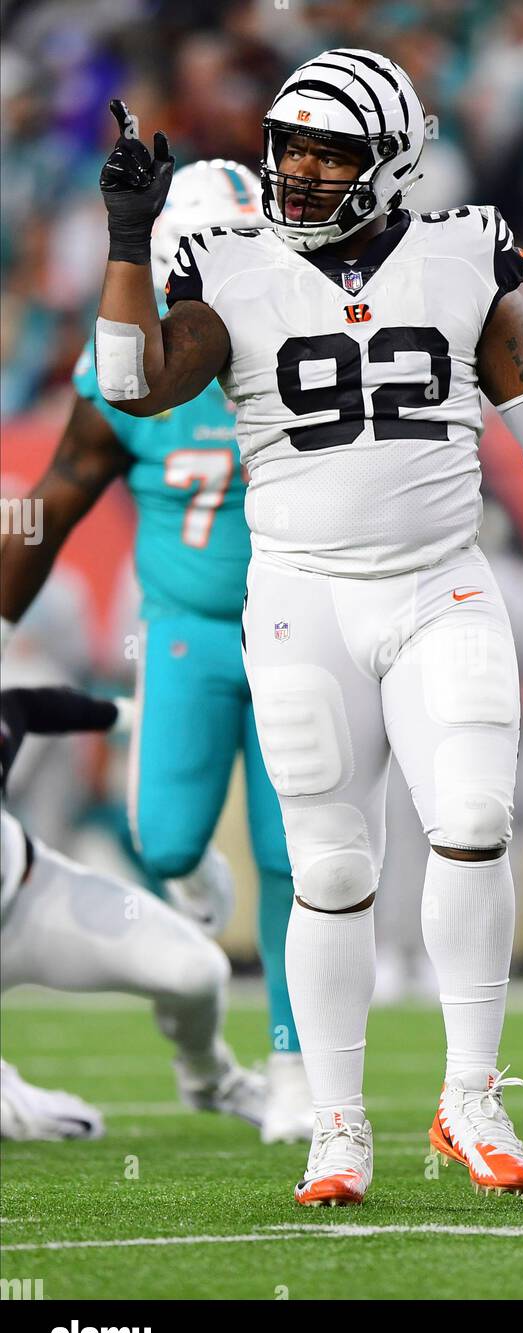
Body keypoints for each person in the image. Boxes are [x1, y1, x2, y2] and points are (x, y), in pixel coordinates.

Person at [90, 49, 523, 1206]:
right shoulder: (228, 259)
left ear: (392, 163)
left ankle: (470, 1096)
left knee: (473, 816)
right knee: (329, 866)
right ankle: (335, 1125)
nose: (303, 171)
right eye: (290, 147)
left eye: (331, 152)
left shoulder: (461, 253)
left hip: (438, 584)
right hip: (301, 596)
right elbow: (134, 385)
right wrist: (127, 240)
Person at [0, 160, 312, 1145]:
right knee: (171, 840)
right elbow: (54, 500)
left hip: (299, 632)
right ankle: (185, 887)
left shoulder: (304, 356)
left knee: (291, 851)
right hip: (184, 631)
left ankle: (296, 1065)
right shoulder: (132, 374)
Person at [0, 685, 265, 1140]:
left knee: (196, 970)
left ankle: (210, 1078)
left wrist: (135, 718)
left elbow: (24, 707)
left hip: (28, 897)